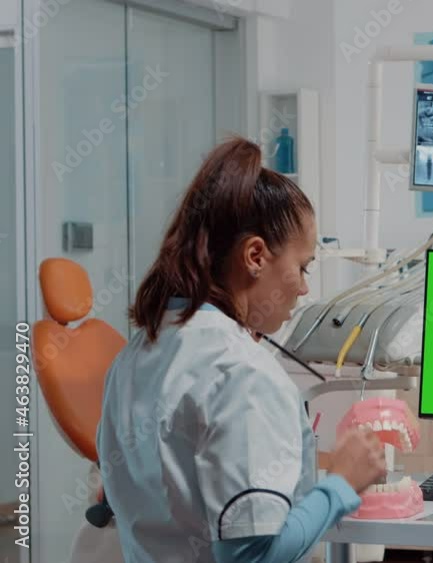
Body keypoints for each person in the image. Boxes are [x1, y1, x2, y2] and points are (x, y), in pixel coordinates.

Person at [96, 138, 387, 563]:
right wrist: (342, 483)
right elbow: (251, 556)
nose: (304, 288)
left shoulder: (134, 355)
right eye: (302, 267)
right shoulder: (243, 375)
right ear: (255, 256)